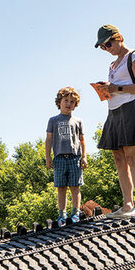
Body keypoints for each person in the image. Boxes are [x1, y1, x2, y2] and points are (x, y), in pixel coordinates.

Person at [93, 24, 135, 217]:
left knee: (133, 158)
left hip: (131, 108)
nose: (106, 49)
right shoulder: (112, 65)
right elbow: (115, 87)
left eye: (108, 44)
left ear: (118, 37)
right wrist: (105, 89)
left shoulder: (134, 56)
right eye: (103, 47)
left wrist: (115, 88)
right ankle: (127, 204)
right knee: (119, 160)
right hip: (113, 112)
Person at [45, 87, 88, 223]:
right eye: (66, 100)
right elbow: (49, 139)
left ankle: (75, 213)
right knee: (61, 187)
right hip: (59, 158)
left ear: (75, 105)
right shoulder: (53, 120)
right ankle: (61, 214)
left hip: (75, 157)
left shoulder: (78, 121)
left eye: (72, 102)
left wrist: (84, 157)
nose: (69, 104)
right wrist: (48, 157)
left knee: (75, 186)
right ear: (59, 102)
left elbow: (82, 140)